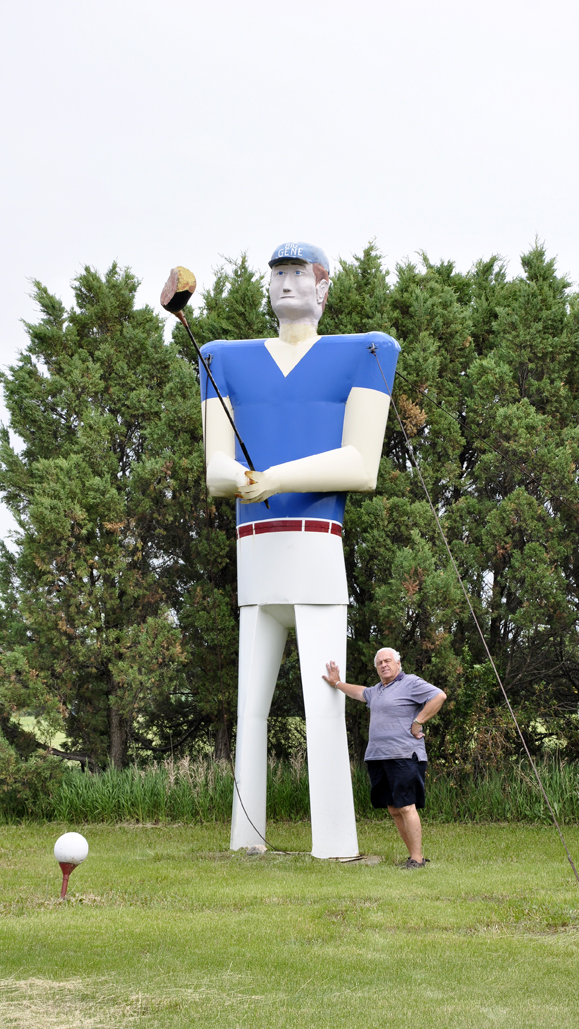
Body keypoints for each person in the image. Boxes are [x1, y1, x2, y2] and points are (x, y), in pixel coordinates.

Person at [199, 242, 400, 858]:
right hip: (255, 551)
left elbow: (361, 465)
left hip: (317, 550)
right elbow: (215, 471)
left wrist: (275, 479)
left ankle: (334, 843)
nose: (287, 282)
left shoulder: (366, 351)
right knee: (250, 708)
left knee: (324, 703)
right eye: (278, 273)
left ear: (323, 287)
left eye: (298, 273)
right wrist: (243, 479)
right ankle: (246, 839)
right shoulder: (221, 358)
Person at [323, 647, 446, 868]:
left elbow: (439, 696)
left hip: (404, 755)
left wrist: (418, 721)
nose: (383, 665)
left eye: (388, 661)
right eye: (379, 663)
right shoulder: (377, 690)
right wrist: (337, 683)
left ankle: (417, 859)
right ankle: (413, 856)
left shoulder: (410, 682)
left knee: (406, 806)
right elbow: (359, 692)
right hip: (378, 757)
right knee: (394, 808)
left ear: (398, 663)